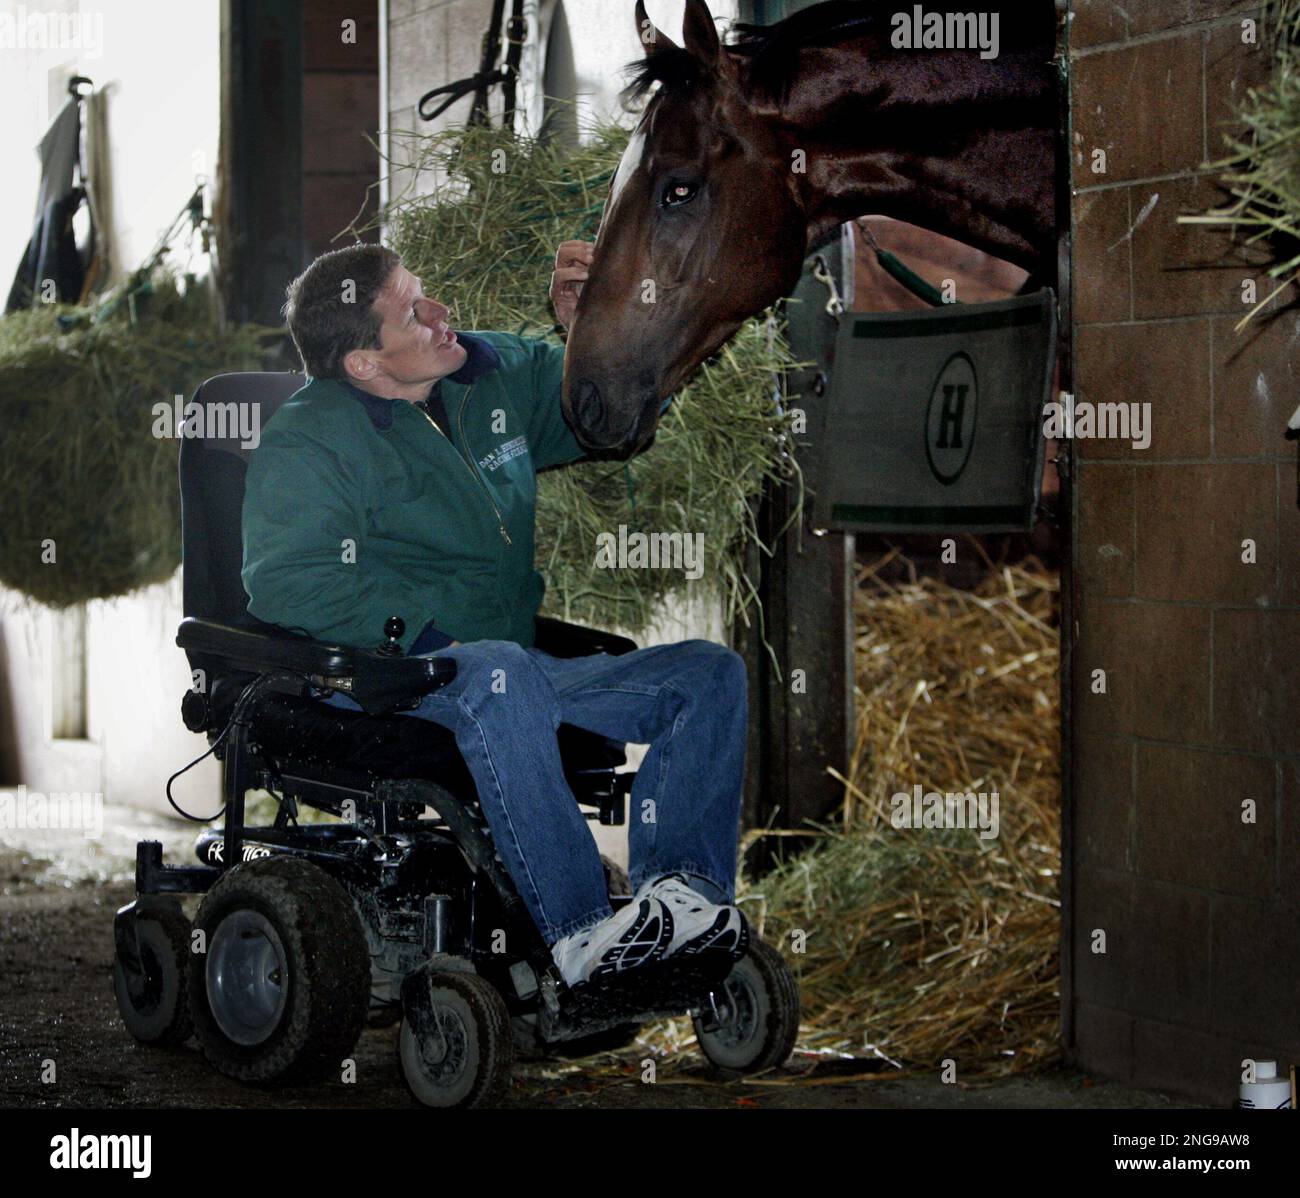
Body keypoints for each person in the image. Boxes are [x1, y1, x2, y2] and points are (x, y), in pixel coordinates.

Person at [240, 240, 750, 989]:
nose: (440, 312)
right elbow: (286, 580)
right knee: (502, 671)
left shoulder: (487, 374)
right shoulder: (311, 440)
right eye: (412, 312)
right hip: (394, 676)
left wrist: (599, 329)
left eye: (428, 291)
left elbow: (600, 415)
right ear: (363, 364)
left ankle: (681, 911)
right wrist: (426, 638)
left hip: (507, 666)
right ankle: (581, 941)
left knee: (708, 674)